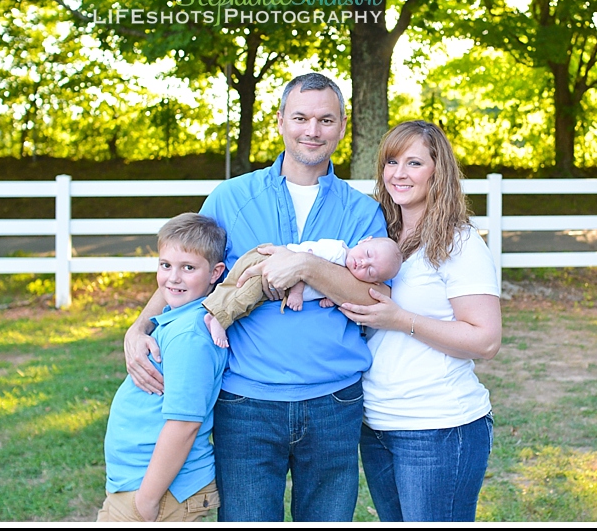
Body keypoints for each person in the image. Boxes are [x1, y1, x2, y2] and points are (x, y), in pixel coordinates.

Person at [123, 72, 390, 522]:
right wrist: (140, 325)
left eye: (326, 119)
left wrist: (305, 266)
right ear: (280, 121)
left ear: (342, 126)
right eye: (301, 117)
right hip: (245, 401)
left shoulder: (362, 210)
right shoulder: (231, 197)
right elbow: (188, 271)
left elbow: (372, 296)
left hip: (334, 401)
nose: (312, 130)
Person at [337, 120, 503, 522]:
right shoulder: (378, 238)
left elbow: (486, 340)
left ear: (437, 170)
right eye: (391, 161)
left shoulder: (458, 243)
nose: (398, 173)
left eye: (414, 163)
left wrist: (402, 319)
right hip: (376, 423)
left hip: (438, 426)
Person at [98, 212, 227, 522]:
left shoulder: (190, 336)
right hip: (142, 484)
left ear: (215, 272)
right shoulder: (177, 319)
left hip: (162, 492)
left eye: (189, 268)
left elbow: (184, 425)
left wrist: (147, 501)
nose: (173, 278)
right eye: (166, 265)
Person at [202, 236, 403, 348]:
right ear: (364, 241)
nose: (362, 263)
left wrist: (329, 298)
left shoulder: (345, 274)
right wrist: (297, 293)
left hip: (274, 277)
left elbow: (326, 284)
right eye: (367, 254)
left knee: (240, 295)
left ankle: (215, 314)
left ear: (374, 281)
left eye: (370, 270)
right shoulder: (337, 252)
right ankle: (219, 319)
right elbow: (301, 263)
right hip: (265, 260)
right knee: (245, 294)